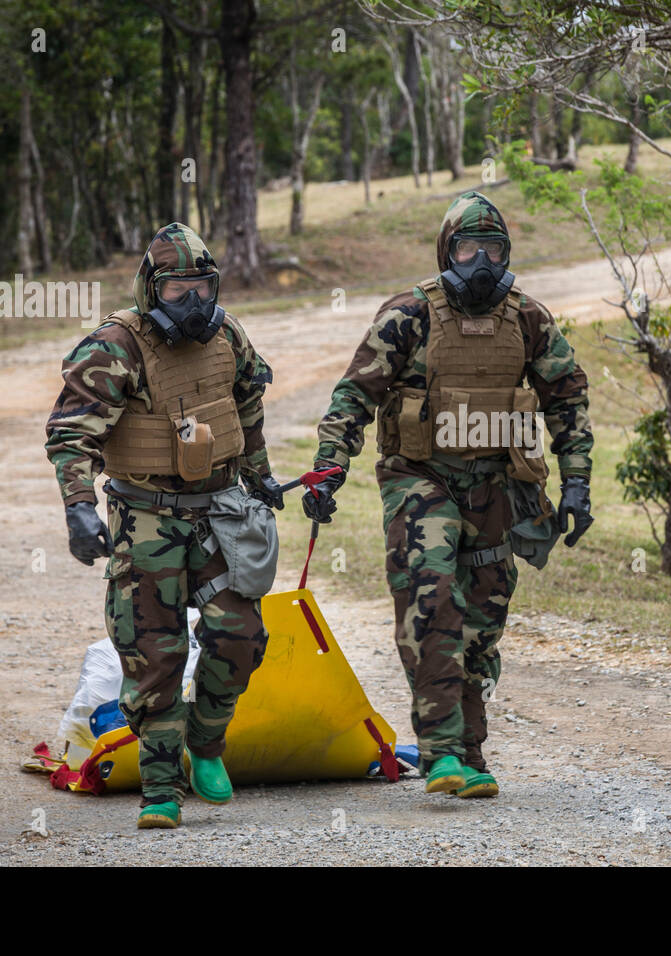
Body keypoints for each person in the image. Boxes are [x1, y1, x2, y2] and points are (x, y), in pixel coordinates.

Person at [306, 191, 594, 798]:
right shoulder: (409, 314)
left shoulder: (529, 319)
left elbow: (566, 400)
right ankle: (441, 753)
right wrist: (329, 468)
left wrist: (577, 484)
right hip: (421, 478)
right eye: (469, 249)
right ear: (447, 252)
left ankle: (470, 750)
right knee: (432, 599)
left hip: (496, 484)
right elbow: (352, 397)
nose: (482, 262)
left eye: (494, 250)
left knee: (483, 620)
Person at [45, 222, 283, 829]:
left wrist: (260, 478)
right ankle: (160, 788)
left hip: (217, 514)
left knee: (240, 635)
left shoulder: (227, 333)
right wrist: (78, 507)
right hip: (144, 515)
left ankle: (205, 742)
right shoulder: (115, 344)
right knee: (154, 653)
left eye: (203, 287)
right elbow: (71, 433)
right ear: (152, 289)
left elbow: (248, 404)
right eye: (179, 291)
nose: (195, 302)